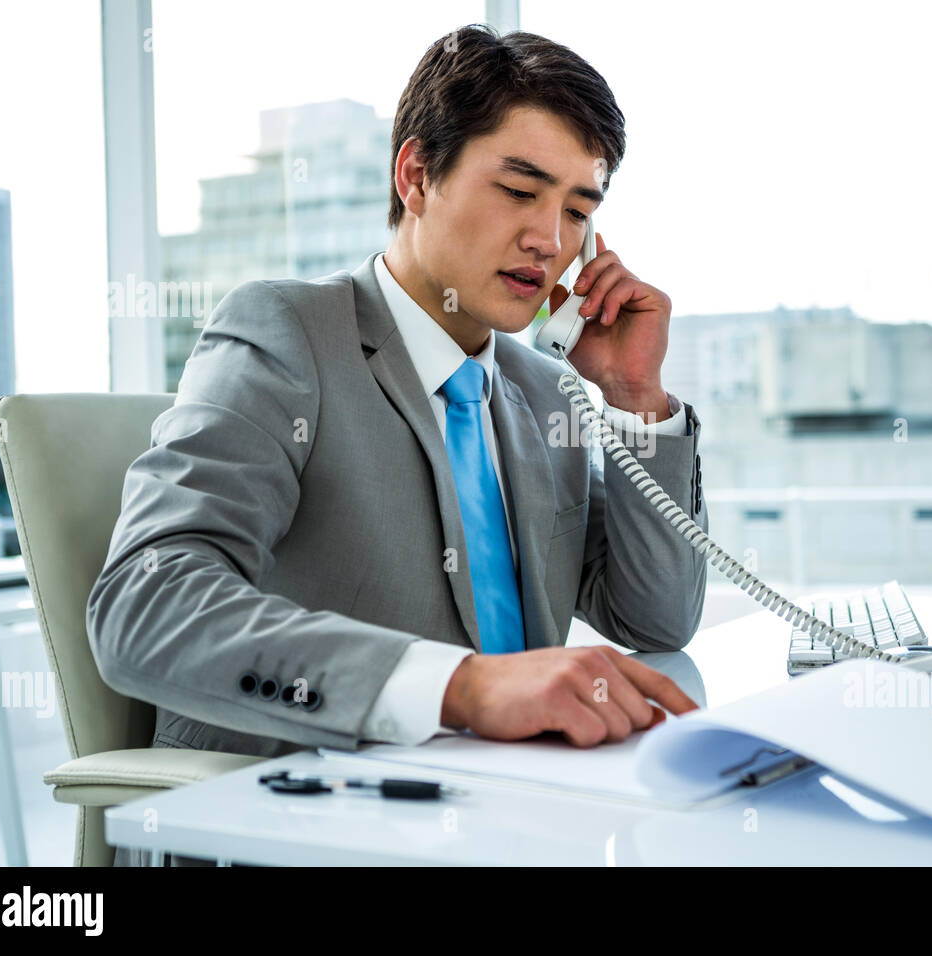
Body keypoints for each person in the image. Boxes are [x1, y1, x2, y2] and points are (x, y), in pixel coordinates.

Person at [88, 24, 709, 863]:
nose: (550, 240)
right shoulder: (287, 336)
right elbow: (143, 606)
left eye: (577, 209)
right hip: (304, 834)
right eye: (520, 191)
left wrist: (636, 400)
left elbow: (654, 614)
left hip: (511, 825)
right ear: (416, 176)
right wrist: (461, 688)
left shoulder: (544, 391)